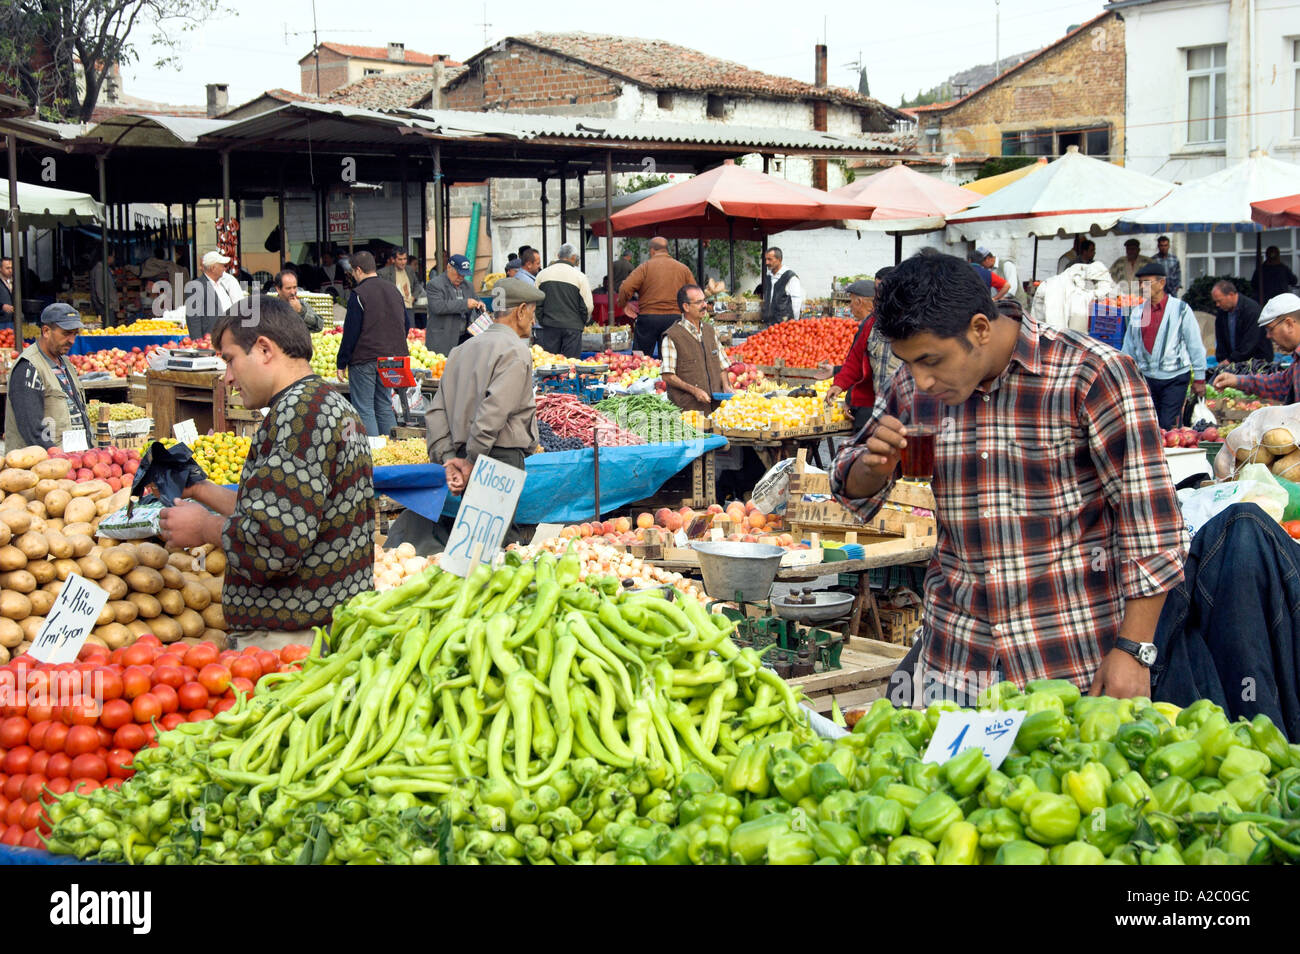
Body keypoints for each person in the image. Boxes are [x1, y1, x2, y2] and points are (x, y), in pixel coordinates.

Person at [830, 250, 1187, 701]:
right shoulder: (913, 386)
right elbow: (849, 484)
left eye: (931, 360)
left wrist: (1134, 650)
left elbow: (1153, 526)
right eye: (909, 362)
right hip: (955, 662)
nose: (919, 380)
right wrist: (871, 468)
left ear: (980, 328)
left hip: (1066, 662)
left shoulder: (1090, 375)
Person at [157, 296, 374, 651]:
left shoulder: (299, 416)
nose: (227, 378)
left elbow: (274, 542)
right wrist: (201, 489)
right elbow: (286, 508)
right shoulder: (326, 403)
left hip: (293, 640)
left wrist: (202, 528)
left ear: (264, 348)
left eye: (230, 360)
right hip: (322, 625)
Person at [425, 277, 542, 494]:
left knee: (471, 527)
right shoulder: (515, 351)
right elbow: (494, 411)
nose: (533, 320)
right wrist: (472, 461)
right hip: (498, 459)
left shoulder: (460, 350)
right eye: (533, 313)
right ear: (521, 310)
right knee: (500, 528)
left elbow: (436, 411)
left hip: (462, 456)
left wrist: (450, 459)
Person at [1120, 262, 1206, 430]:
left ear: (1161, 283)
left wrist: (1200, 378)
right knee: (1149, 427)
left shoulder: (1181, 309)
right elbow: (1129, 346)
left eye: (1147, 282)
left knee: (1167, 426)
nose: (1142, 287)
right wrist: (1124, 374)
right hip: (1146, 379)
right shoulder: (1137, 312)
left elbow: (1194, 344)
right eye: (1140, 283)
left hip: (1174, 378)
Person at [337, 250, 409, 438]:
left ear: (358, 270)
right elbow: (406, 324)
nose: (353, 276)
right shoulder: (394, 290)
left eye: (353, 272)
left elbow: (351, 332)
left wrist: (341, 362)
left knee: (364, 407)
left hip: (365, 359)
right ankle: (392, 451)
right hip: (390, 359)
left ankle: (373, 453)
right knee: (385, 404)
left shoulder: (359, 294)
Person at [4, 303, 93, 452]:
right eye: (66, 333)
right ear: (46, 331)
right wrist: (57, 458)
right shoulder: (28, 367)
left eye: (75, 334)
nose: (72, 340)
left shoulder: (65, 363)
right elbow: (31, 428)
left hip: (73, 461)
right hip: (43, 466)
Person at [825, 279, 900, 432]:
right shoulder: (870, 323)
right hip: (871, 406)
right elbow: (855, 360)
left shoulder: (907, 325)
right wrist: (839, 385)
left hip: (899, 407)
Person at [1213, 293, 1300, 402]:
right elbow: (1281, 384)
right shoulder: (1297, 361)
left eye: (1270, 329)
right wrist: (1237, 380)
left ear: (1289, 324)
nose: (1268, 336)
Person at [618, 236, 696, 356]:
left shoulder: (644, 267)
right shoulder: (683, 269)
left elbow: (625, 287)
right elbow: (694, 294)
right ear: (667, 250)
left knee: (640, 359)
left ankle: (639, 373)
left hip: (648, 318)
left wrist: (624, 303)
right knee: (671, 361)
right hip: (674, 319)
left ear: (652, 250)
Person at [660, 284, 731, 413]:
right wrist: (694, 391)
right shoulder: (672, 336)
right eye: (698, 302)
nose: (704, 305)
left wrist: (726, 386)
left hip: (715, 410)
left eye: (704, 300)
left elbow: (722, 365)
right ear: (686, 307)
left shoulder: (710, 331)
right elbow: (668, 376)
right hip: (689, 412)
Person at [534, 243, 593, 359]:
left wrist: (542, 321)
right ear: (573, 258)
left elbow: (536, 303)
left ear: (558, 255)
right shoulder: (580, 277)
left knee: (551, 364)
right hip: (573, 328)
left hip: (549, 327)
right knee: (570, 365)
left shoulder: (542, 275)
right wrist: (581, 322)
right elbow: (588, 306)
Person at [424, 254, 485, 358]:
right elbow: (438, 306)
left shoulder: (468, 285)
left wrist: (480, 304)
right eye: (458, 273)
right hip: (443, 339)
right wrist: (465, 304)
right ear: (449, 267)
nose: (461, 277)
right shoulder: (434, 284)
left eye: (463, 275)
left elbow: (475, 299)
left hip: (465, 338)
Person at [1210, 280, 1268, 363]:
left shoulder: (1252, 310)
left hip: (1256, 361)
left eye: (1219, 301)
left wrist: (1230, 360)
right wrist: (1222, 359)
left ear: (1231, 295)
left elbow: (1250, 342)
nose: (1217, 305)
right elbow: (1220, 341)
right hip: (1233, 362)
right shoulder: (1222, 313)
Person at [378, 248, 421, 332]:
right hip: (393, 310)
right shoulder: (383, 273)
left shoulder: (410, 270)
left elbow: (417, 285)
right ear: (393, 260)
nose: (403, 262)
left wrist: (413, 297)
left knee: (411, 334)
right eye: (400, 259)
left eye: (405, 259)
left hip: (408, 308)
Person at [760, 247, 802, 325]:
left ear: (779, 260)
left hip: (784, 325)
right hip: (769, 325)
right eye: (766, 259)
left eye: (770, 259)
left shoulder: (791, 277)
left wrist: (794, 322)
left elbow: (796, 302)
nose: (766, 262)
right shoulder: (769, 276)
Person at [89, 250, 118, 327]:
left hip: (106, 307)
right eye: (113, 256)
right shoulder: (100, 270)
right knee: (108, 330)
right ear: (108, 257)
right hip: (105, 308)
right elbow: (100, 291)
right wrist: (108, 305)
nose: (114, 259)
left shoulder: (104, 268)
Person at [0, 257, 14, 332]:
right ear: (0, 268)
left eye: (11, 268)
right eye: (7, 268)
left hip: (12, 320)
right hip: (1, 321)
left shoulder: (14, 281)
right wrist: (2, 306)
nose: (10, 270)